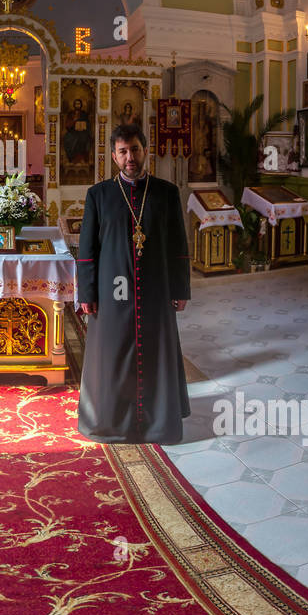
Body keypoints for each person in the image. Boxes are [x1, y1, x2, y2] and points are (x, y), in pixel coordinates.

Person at [76, 123, 190, 445]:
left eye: (135, 149)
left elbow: (179, 245)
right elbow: (87, 250)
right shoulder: (98, 195)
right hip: (113, 293)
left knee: (156, 355)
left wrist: (181, 290)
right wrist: (87, 292)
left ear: (145, 150)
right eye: (123, 151)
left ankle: (158, 424)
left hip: (156, 291)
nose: (130, 157)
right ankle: (111, 423)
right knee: (112, 357)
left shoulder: (166, 193)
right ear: (114, 156)